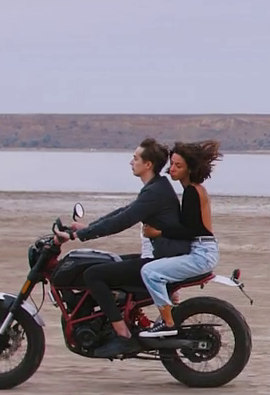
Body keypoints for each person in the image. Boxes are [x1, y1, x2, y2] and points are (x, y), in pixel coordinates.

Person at [56, 138, 191, 357]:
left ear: (148, 164)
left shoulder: (155, 192)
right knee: (111, 262)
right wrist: (86, 228)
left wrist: (80, 235)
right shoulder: (156, 188)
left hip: (159, 260)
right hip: (160, 254)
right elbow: (123, 211)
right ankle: (120, 317)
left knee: (94, 275)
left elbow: (123, 220)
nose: (131, 162)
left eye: (136, 158)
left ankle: (123, 335)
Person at [138, 141, 222, 339]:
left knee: (150, 272)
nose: (172, 169)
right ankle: (171, 310)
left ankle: (167, 323)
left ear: (190, 169)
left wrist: (158, 232)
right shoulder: (193, 189)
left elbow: (189, 230)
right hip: (202, 249)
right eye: (172, 164)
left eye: (178, 166)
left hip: (201, 253)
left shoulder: (192, 192)